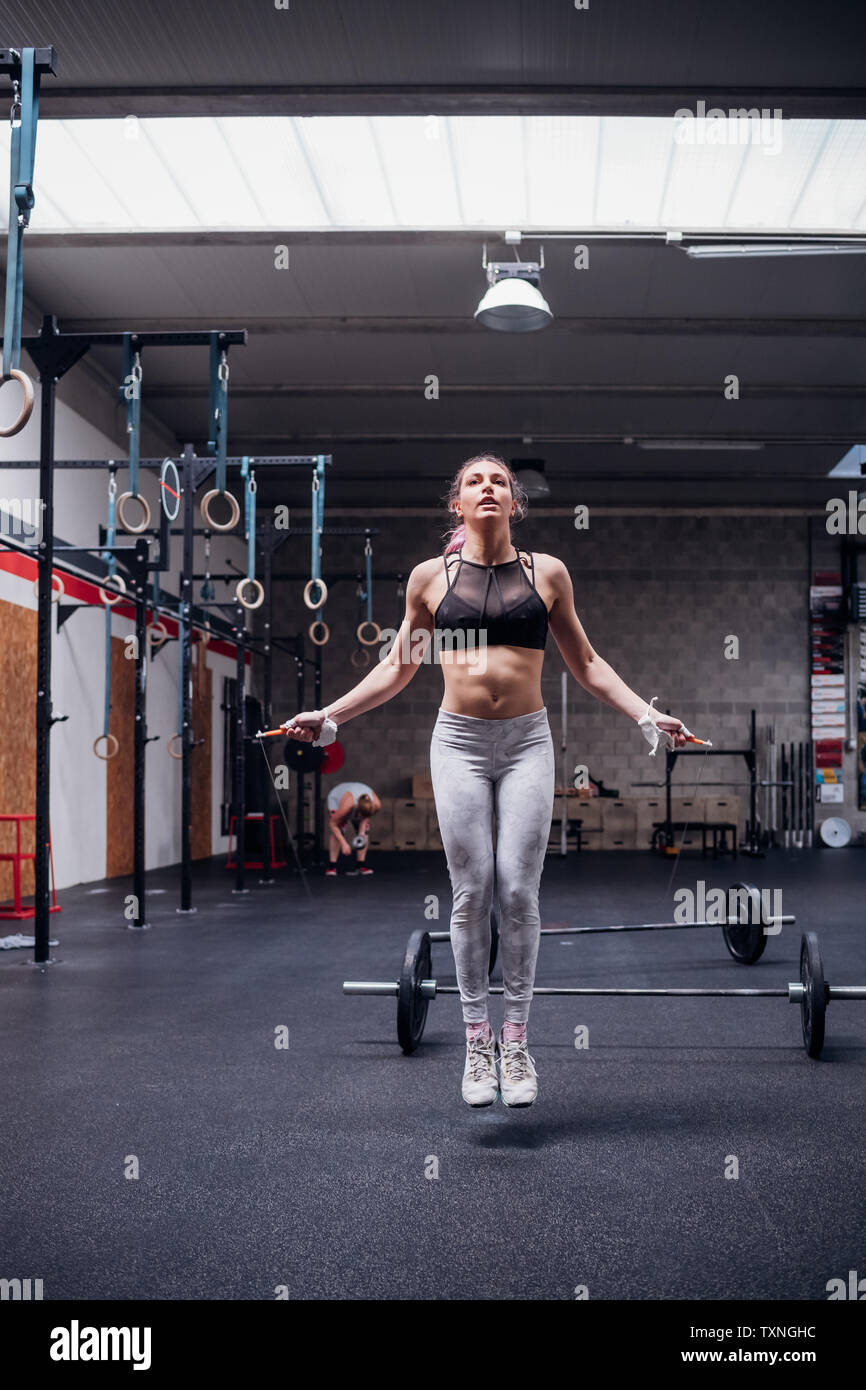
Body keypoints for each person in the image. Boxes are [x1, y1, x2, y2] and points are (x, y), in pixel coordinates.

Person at [283, 453, 688, 1108]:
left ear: (514, 503)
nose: (489, 487)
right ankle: (476, 1042)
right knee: (472, 892)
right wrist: (328, 717)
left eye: (500, 480)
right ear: (458, 504)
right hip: (459, 744)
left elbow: (586, 664)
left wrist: (646, 713)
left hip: (528, 740)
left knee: (520, 890)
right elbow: (395, 668)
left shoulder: (547, 574)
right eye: (475, 480)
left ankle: (517, 1041)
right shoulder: (429, 581)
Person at [326, 784, 381, 877]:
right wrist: (344, 843)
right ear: (357, 810)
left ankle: (361, 866)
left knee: (365, 831)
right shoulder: (347, 806)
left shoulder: (376, 805)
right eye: (360, 816)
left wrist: (361, 834)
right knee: (339, 828)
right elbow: (332, 824)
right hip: (337, 797)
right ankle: (332, 867)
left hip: (357, 797)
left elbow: (366, 819)